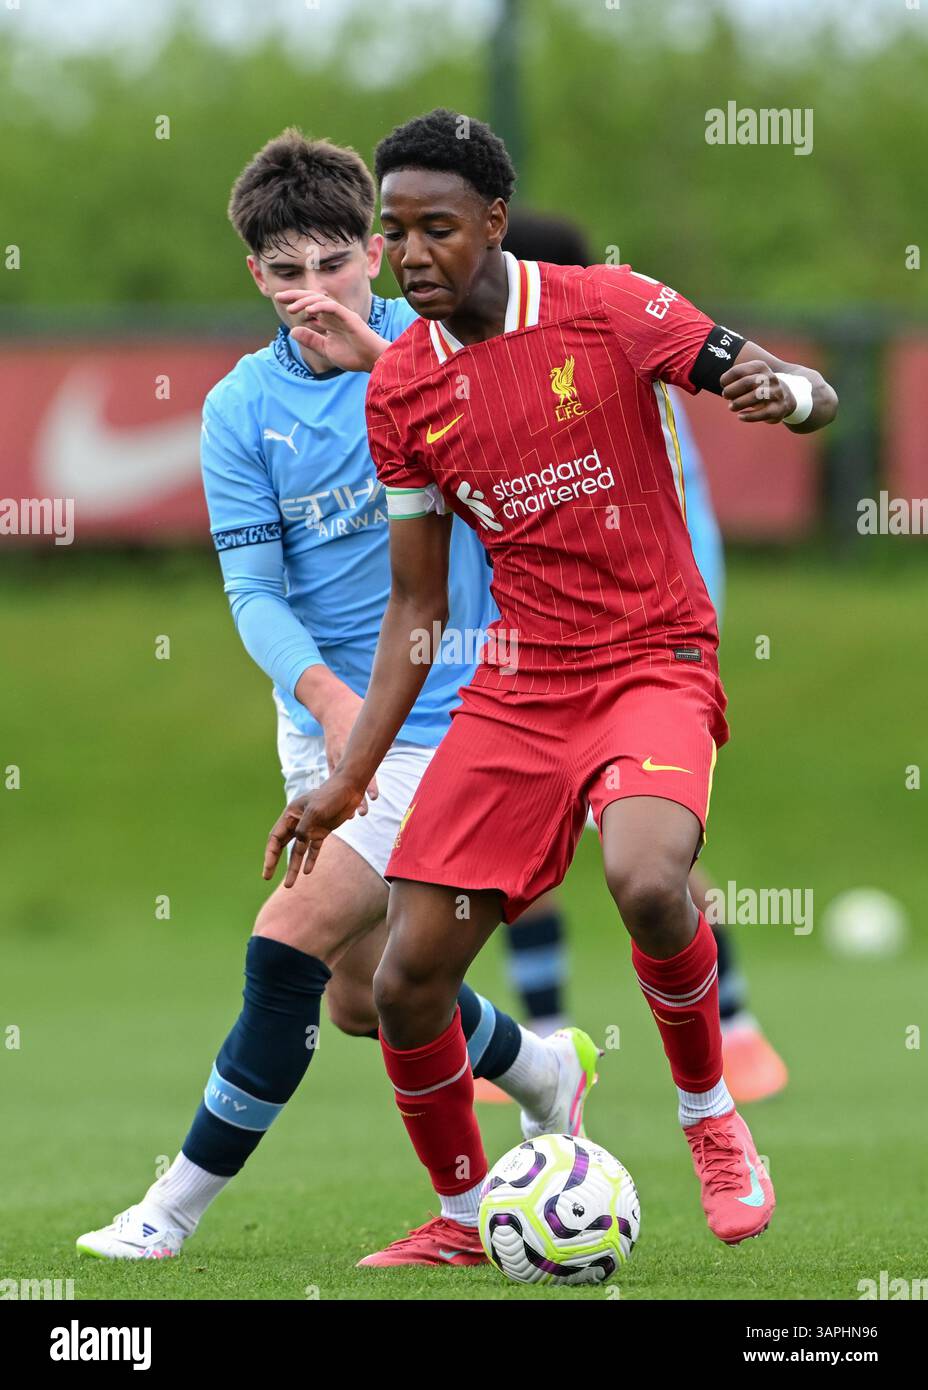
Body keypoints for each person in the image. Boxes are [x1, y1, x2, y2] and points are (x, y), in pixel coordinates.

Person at [268, 109, 838, 1253]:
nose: (412, 253)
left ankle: (709, 1114)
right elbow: (416, 608)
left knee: (646, 879)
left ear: (494, 221)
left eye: (437, 228)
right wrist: (350, 779)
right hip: (520, 686)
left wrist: (794, 396)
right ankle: (461, 1214)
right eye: (396, 231)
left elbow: (793, 382)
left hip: (651, 658)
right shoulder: (401, 389)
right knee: (403, 982)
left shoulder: (610, 306)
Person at [75, 129, 598, 1266]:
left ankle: (170, 1212)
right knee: (363, 998)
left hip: (452, 710)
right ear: (254, 275)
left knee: (286, 944)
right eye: (284, 271)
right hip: (327, 717)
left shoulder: (448, 350)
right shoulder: (238, 408)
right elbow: (254, 590)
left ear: (371, 252)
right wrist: (323, 700)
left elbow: (526, 461)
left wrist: (386, 367)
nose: (311, 290)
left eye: (331, 263)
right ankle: (542, 1068)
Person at [486, 210, 787, 1109]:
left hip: (648, 655)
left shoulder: (626, 379)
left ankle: (736, 1031)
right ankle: (545, 1037)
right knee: (516, 851)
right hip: (529, 656)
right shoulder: (496, 390)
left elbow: (687, 528)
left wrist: (685, 654)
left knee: (657, 856)